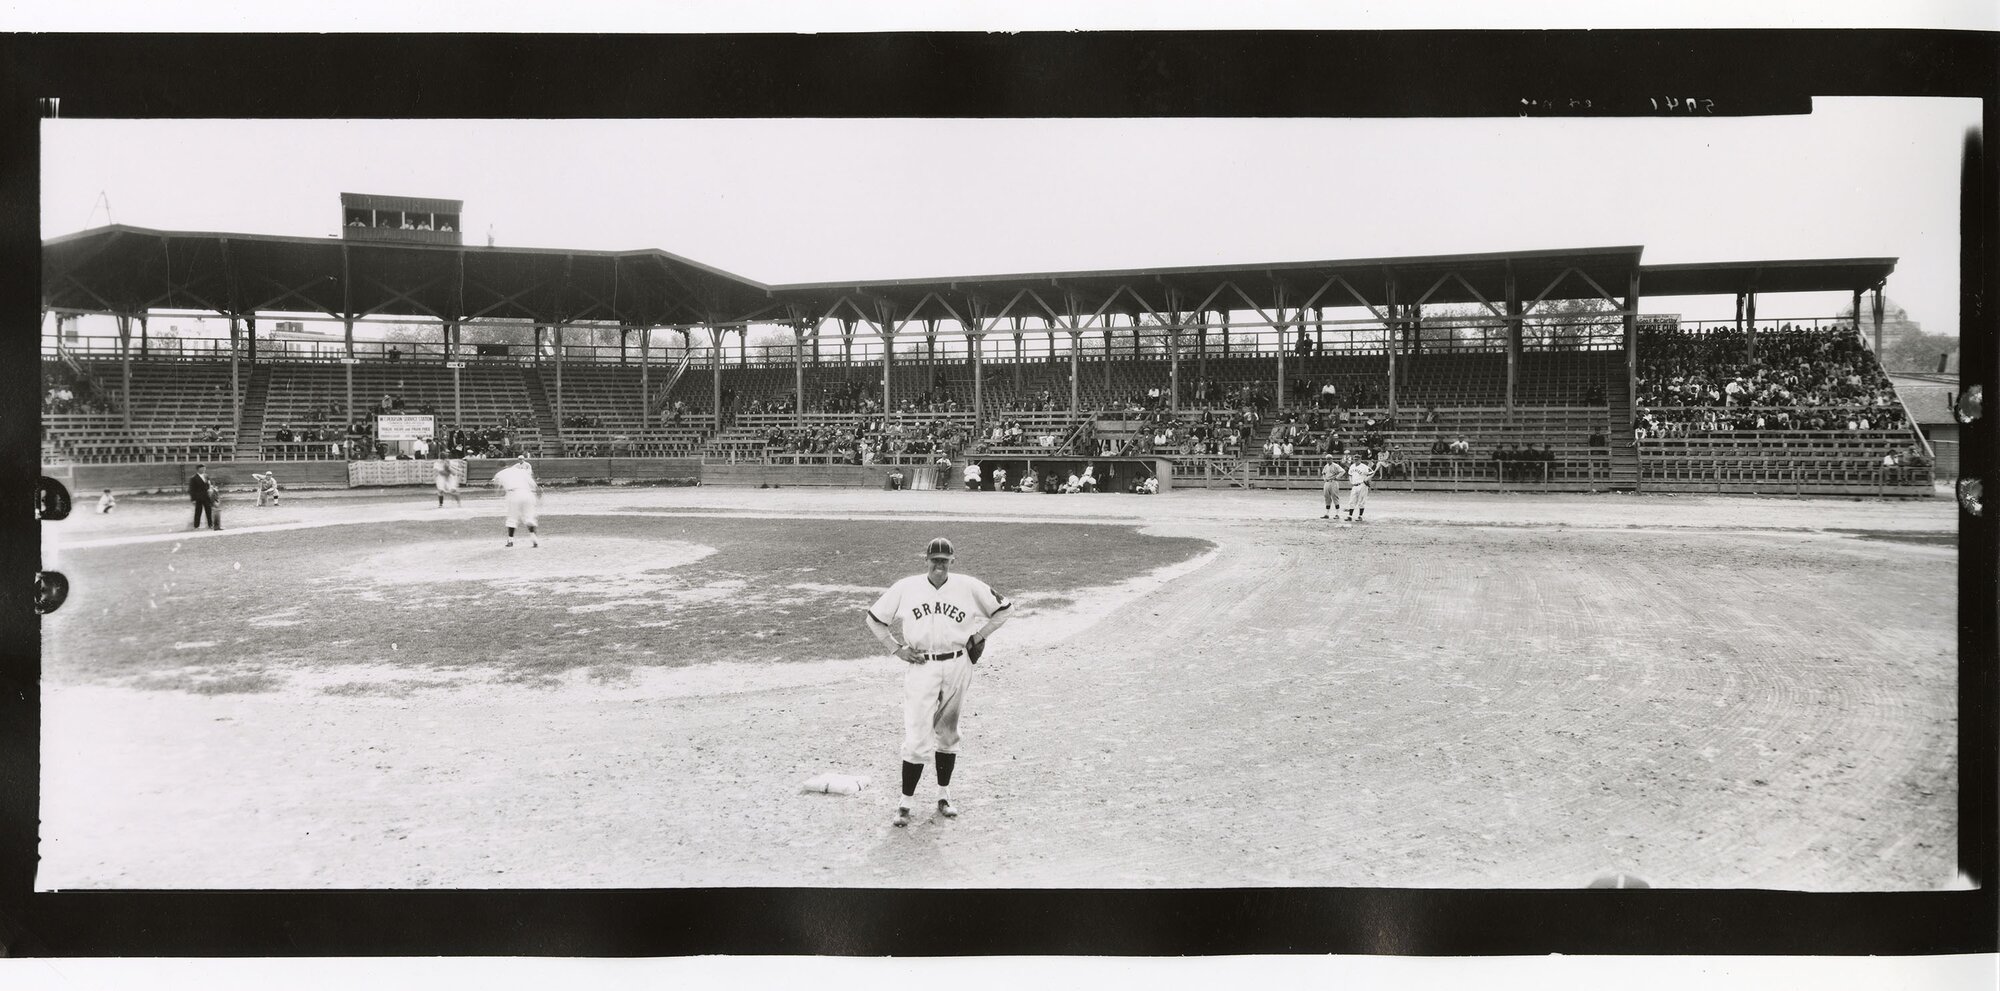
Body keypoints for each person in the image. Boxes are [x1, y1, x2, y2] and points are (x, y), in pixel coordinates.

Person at [863, 537, 1013, 828]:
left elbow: (1005, 609)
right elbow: (874, 619)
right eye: (935, 560)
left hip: (958, 664)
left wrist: (979, 636)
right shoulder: (906, 587)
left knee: (948, 732)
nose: (940, 565)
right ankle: (905, 803)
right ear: (926, 560)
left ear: (953, 560)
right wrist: (896, 649)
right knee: (917, 735)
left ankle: (944, 797)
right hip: (922, 666)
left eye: (945, 560)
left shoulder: (969, 586)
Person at [491, 454, 541, 547]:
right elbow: (533, 484)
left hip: (514, 494)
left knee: (512, 517)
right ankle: (534, 539)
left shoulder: (500, 474)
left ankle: (510, 541)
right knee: (529, 517)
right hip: (527, 494)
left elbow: (498, 488)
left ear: (499, 467)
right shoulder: (519, 470)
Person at [1340, 453, 1378, 525]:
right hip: (1354, 486)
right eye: (1355, 459)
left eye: (1357, 459)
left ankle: (1360, 516)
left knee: (1361, 501)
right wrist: (1351, 481)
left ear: (1360, 459)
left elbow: (1372, 473)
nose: (1356, 460)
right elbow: (1350, 475)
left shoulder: (1364, 467)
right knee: (1352, 501)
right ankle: (1350, 516)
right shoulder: (1352, 466)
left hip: (1362, 485)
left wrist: (1366, 479)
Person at [187, 464, 215, 530]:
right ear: (198, 469)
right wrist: (193, 499)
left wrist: (210, 489)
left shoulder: (206, 476)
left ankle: (210, 525)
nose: (204, 470)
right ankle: (196, 526)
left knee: (209, 511)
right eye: (202, 468)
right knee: (198, 512)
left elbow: (209, 484)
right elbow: (191, 490)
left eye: (204, 468)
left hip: (206, 497)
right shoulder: (193, 478)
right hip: (198, 498)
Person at [1320, 455, 1346, 519]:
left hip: (1333, 482)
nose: (1328, 460)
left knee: (1335, 497)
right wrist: (1324, 478)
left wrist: (1337, 477)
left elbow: (1343, 471)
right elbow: (1323, 473)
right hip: (1327, 482)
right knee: (1327, 497)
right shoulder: (1326, 466)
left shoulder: (1336, 465)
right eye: (1327, 459)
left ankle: (1337, 514)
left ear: (1332, 459)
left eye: (1329, 459)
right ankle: (1327, 514)